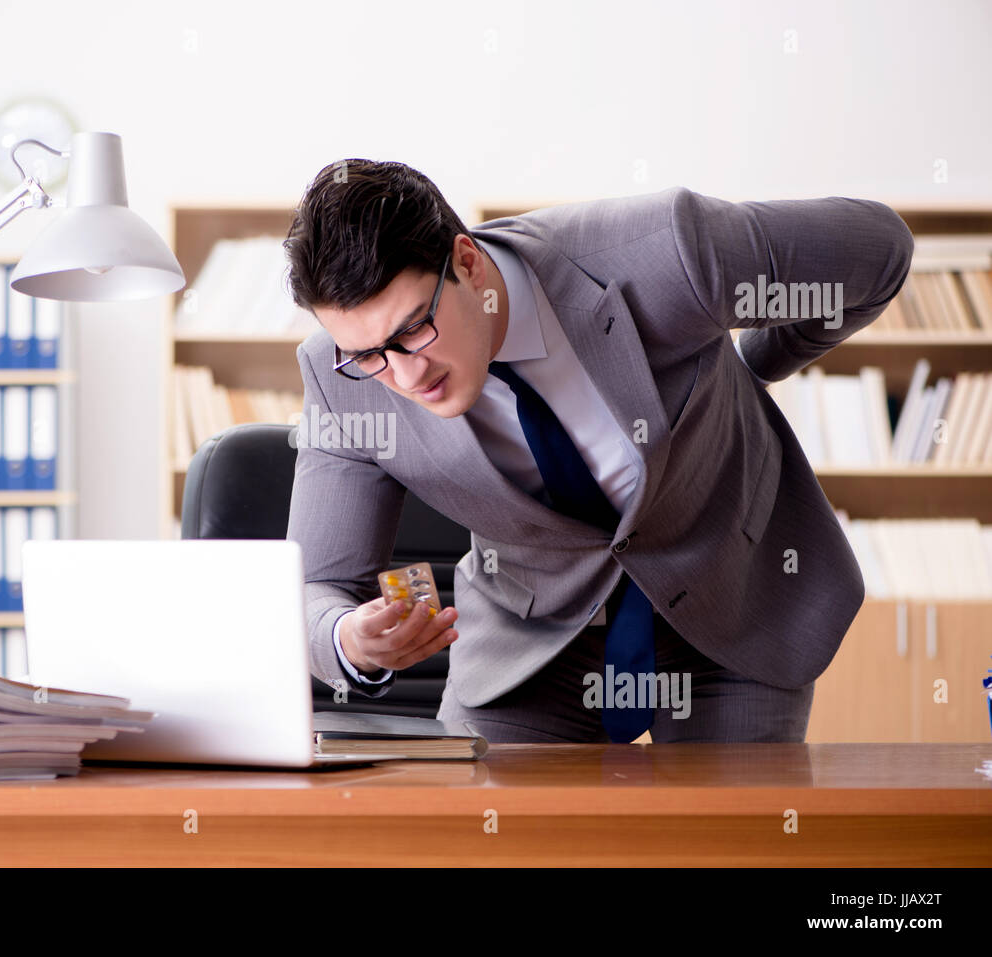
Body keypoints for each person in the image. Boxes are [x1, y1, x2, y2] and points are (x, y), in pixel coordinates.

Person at [281, 159, 914, 743]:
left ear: (468, 263)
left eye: (414, 328)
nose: (406, 376)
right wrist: (347, 639)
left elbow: (878, 251)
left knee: (729, 852)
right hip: (530, 650)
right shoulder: (337, 379)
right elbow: (319, 584)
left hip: (731, 609)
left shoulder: (667, 251)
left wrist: (756, 365)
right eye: (368, 354)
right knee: (482, 850)